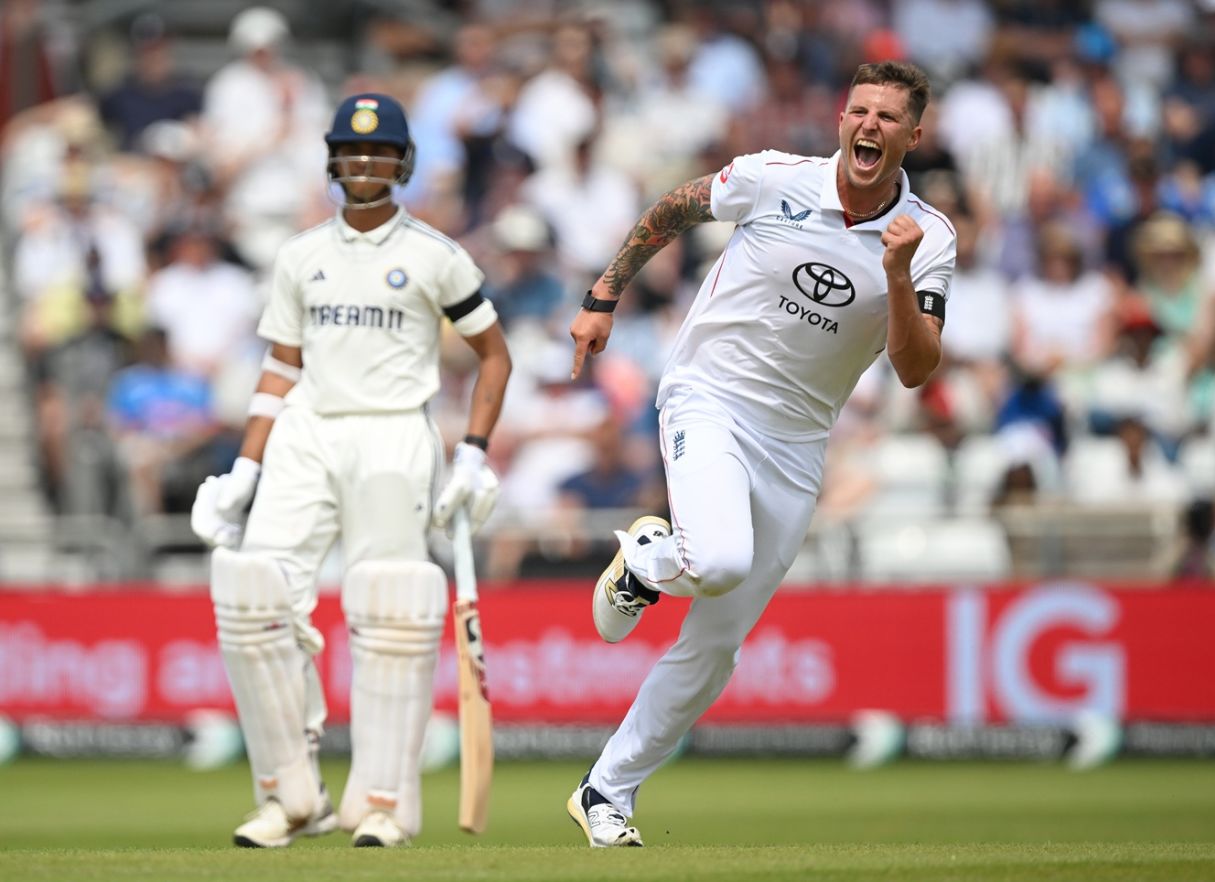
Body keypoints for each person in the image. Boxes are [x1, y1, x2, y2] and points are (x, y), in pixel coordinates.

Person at [566, 61, 955, 846]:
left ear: (915, 135)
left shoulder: (929, 238)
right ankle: (648, 554)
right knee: (717, 559)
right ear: (841, 120)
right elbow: (671, 211)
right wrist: (603, 296)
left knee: (715, 645)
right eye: (858, 111)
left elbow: (916, 368)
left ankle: (606, 790)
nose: (868, 126)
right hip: (707, 395)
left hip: (797, 443)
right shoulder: (772, 178)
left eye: (887, 117)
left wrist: (899, 276)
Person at [189, 93, 511, 849]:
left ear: (402, 162)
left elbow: (494, 354)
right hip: (307, 431)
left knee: (391, 611)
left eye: (378, 152)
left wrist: (473, 453)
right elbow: (279, 365)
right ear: (333, 161)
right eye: (350, 152)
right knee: (250, 593)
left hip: (396, 433)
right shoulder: (301, 256)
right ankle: (291, 796)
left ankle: (383, 804)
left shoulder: (436, 254)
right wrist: (244, 469)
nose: (363, 164)